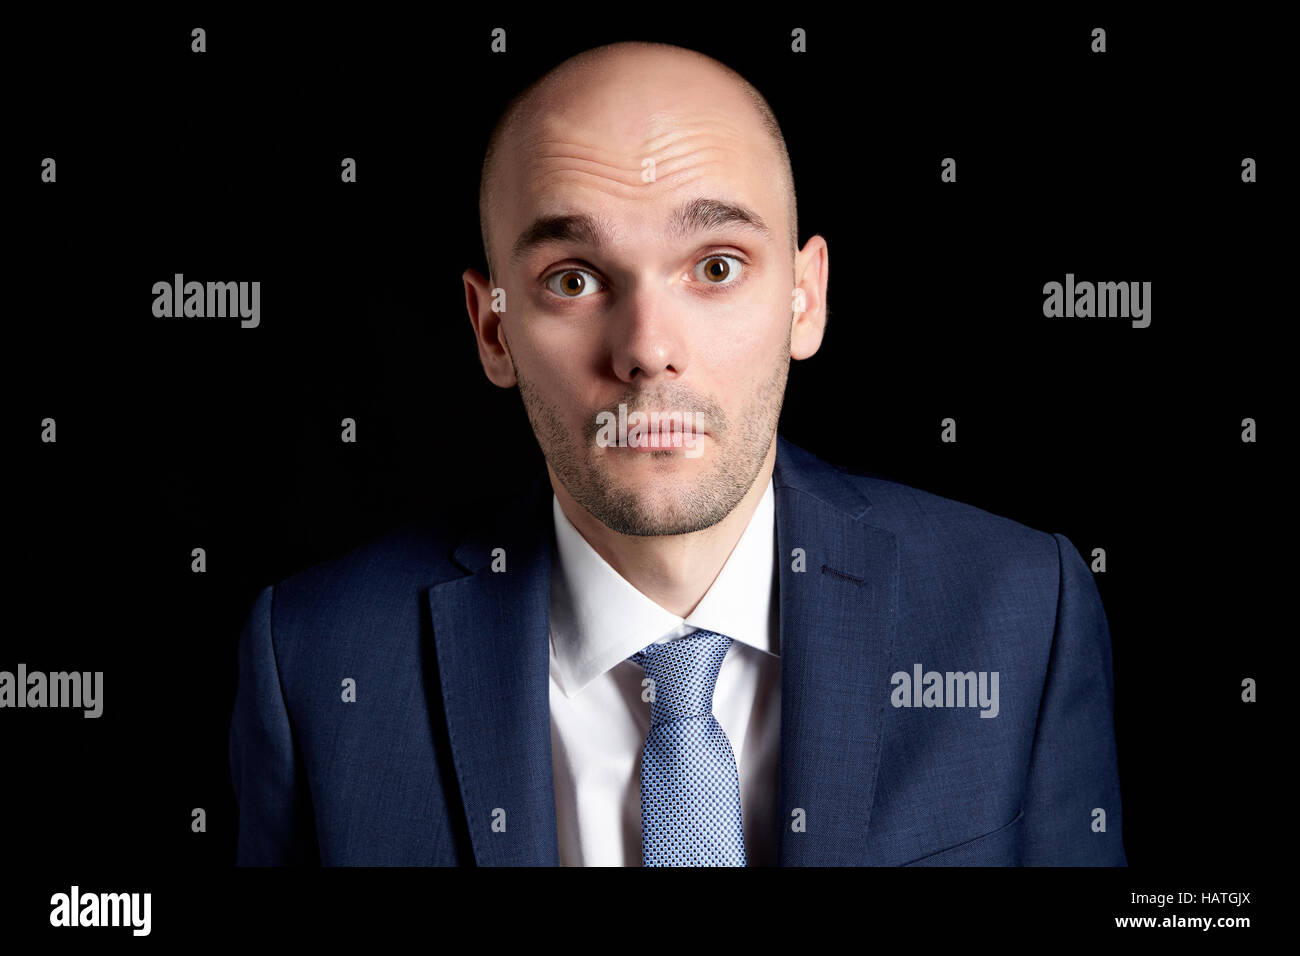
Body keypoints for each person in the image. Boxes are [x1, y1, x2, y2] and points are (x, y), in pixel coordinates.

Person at [229, 40, 1125, 866]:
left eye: (717, 266)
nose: (647, 348)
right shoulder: (316, 660)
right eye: (573, 280)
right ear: (492, 329)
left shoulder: (1018, 610)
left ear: (804, 300)